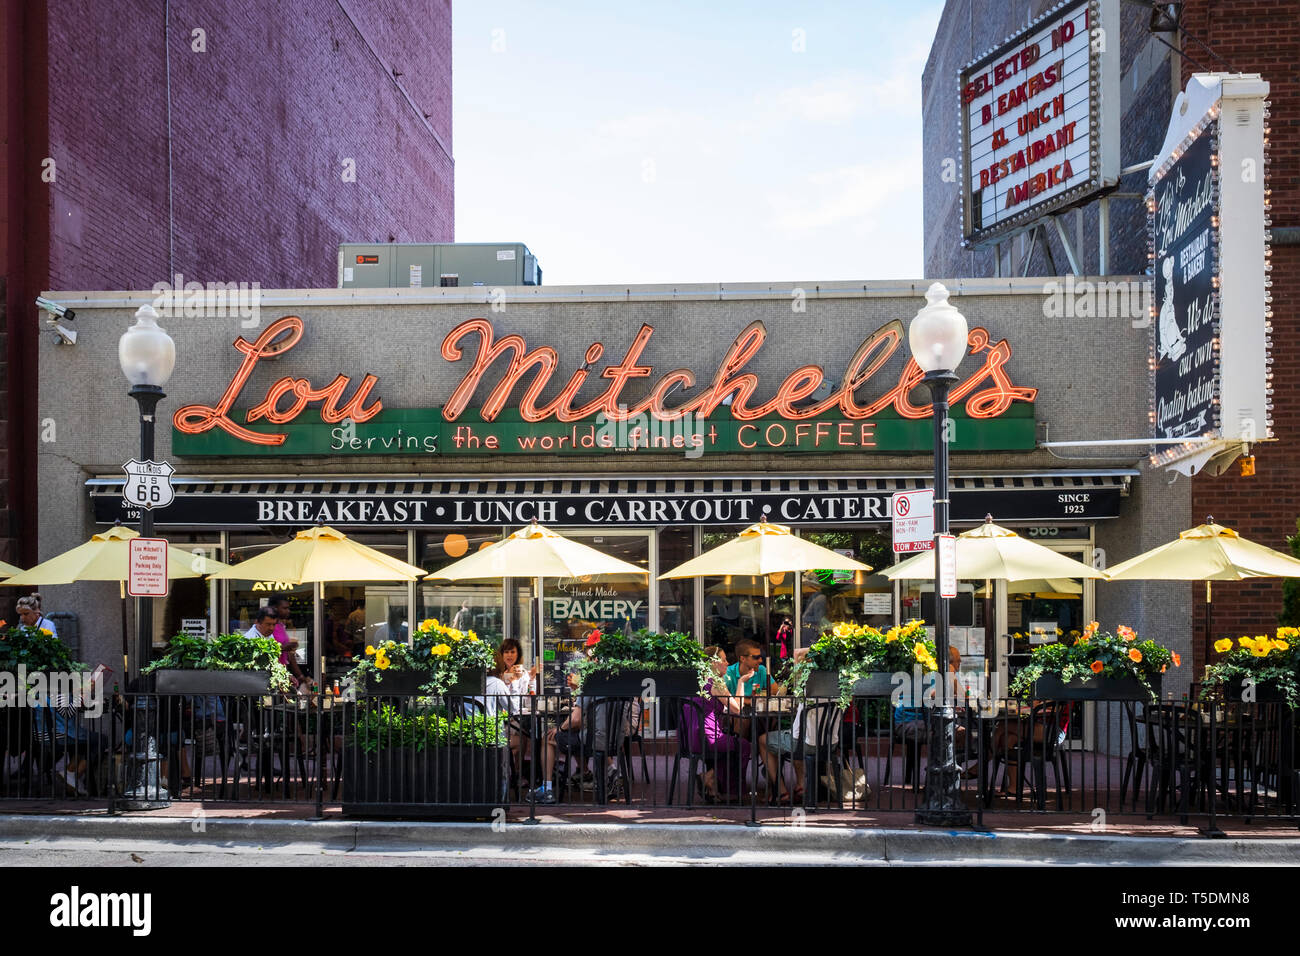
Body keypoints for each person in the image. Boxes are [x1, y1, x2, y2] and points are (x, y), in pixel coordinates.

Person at [682, 646, 753, 801]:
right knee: (744, 745)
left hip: (689, 739)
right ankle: (733, 791)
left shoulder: (697, 682)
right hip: (708, 739)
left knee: (730, 745)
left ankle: (712, 781)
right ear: (713, 663)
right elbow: (737, 709)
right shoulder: (716, 683)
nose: (727, 663)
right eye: (724, 660)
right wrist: (741, 681)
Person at [267, 593, 310, 688]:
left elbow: (290, 655)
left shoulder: (281, 626)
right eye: (284, 608)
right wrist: (285, 647)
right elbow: (264, 649)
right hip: (270, 675)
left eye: (288, 608)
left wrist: (300, 675)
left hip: (282, 673)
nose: (288, 611)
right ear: (275, 608)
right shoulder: (268, 626)